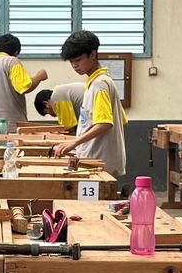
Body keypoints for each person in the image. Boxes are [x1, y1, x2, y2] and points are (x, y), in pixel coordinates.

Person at [50, 31, 127, 175]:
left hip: (98, 162)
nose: (74, 65)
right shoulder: (98, 83)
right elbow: (122, 121)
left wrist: (75, 142)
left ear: (92, 54)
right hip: (96, 159)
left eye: (78, 60)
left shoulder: (100, 84)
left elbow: (105, 123)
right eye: (71, 62)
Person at [0, 33, 48, 134]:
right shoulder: (11, 62)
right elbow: (25, 87)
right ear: (16, 51)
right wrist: (39, 77)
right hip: (9, 129)